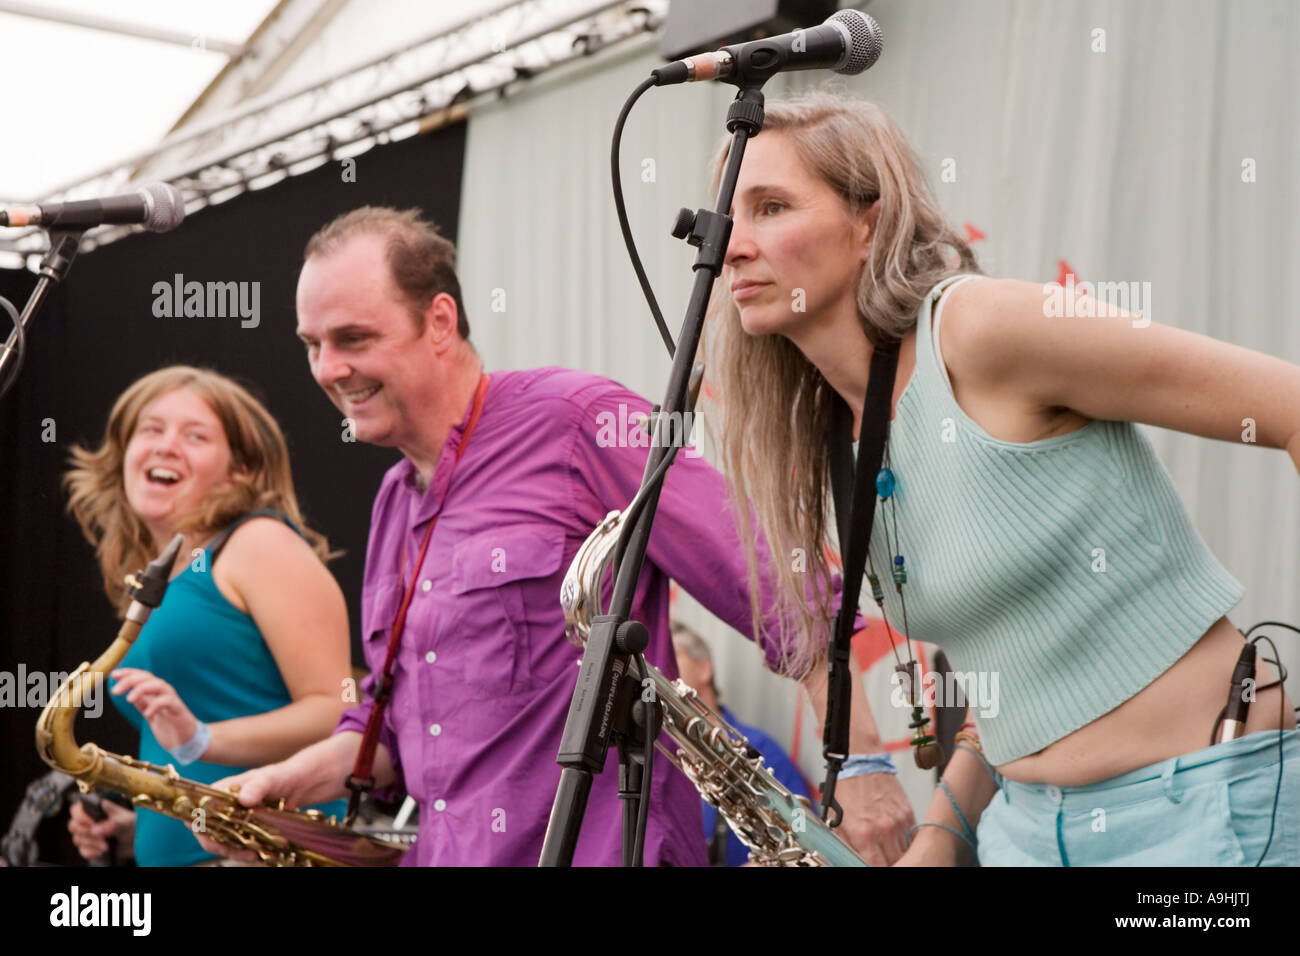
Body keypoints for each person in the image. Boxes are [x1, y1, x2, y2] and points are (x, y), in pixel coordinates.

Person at [201, 206, 916, 866]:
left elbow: (779, 585)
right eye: (313, 345)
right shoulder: (394, 499)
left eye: (353, 338)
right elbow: (395, 739)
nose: (328, 369)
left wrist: (862, 767)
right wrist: (285, 782)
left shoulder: (578, 420)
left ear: (440, 321)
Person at [705, 90, 1300, 866]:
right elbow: (1008, 665)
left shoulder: (978, 329)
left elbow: (1288, 408)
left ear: (870, 223)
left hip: (1203, 813)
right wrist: (944, 833)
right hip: (1025, 829)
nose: (732, 245)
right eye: (726, 218)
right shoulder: (837, 434)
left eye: (771, 207)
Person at [63, 365, 352, 866]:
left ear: (239, 469)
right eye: (150, 429)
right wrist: (142, 827)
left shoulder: (258, 543)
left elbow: (336, 707)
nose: (165, 445)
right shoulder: (161, 578)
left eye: (194, 435)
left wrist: (203, 739)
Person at [670, 621, 813, 866]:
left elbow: (804, 839)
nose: (663, 666)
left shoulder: (760, 750)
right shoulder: (655, 758)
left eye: (672, 655)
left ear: (705, 669)